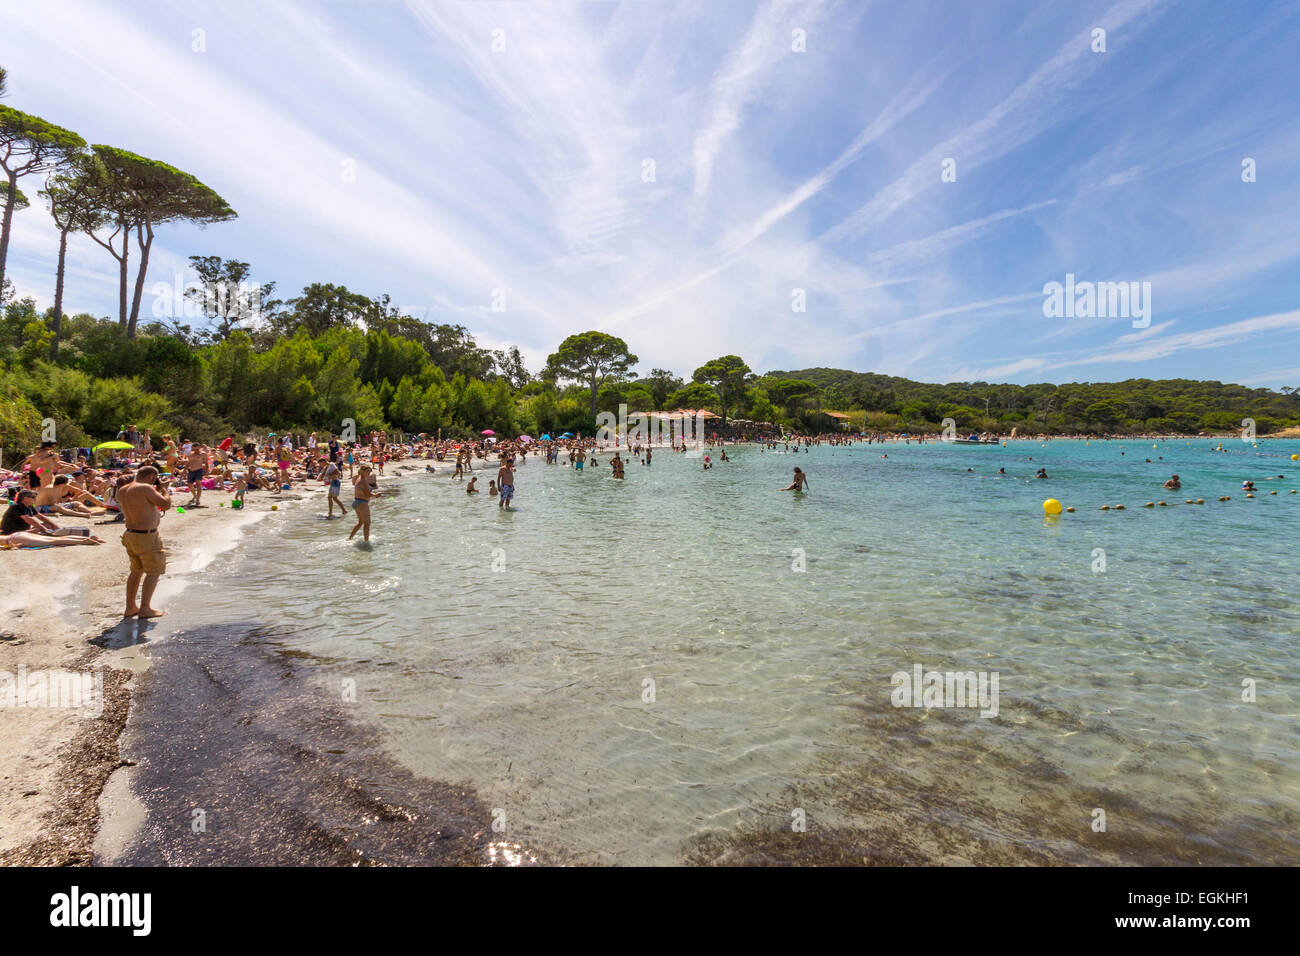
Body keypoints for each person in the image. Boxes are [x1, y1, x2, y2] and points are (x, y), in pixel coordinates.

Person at [118, 465, 171, 619]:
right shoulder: (145, 489)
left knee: (136, 570)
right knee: (154, 571)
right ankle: (145, 608)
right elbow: (165, 504)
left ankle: (130, 607)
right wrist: (165, 490)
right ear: (151, 477)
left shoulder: (124, 489)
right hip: (146, 536)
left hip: (130, 534)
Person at [348, 466, 379, 542]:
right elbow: (368, 494)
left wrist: (372, 494)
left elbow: (363, 492)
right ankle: (366, 541)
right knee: (367, 523)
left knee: (361, 522)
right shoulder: (363, 481)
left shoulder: (359, 478)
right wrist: (376, 495)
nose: (369, 473)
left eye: (370, 471)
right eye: (367, 471)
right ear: (362, 471)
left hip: (357, 502)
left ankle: (349, 538)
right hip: (362, 503)